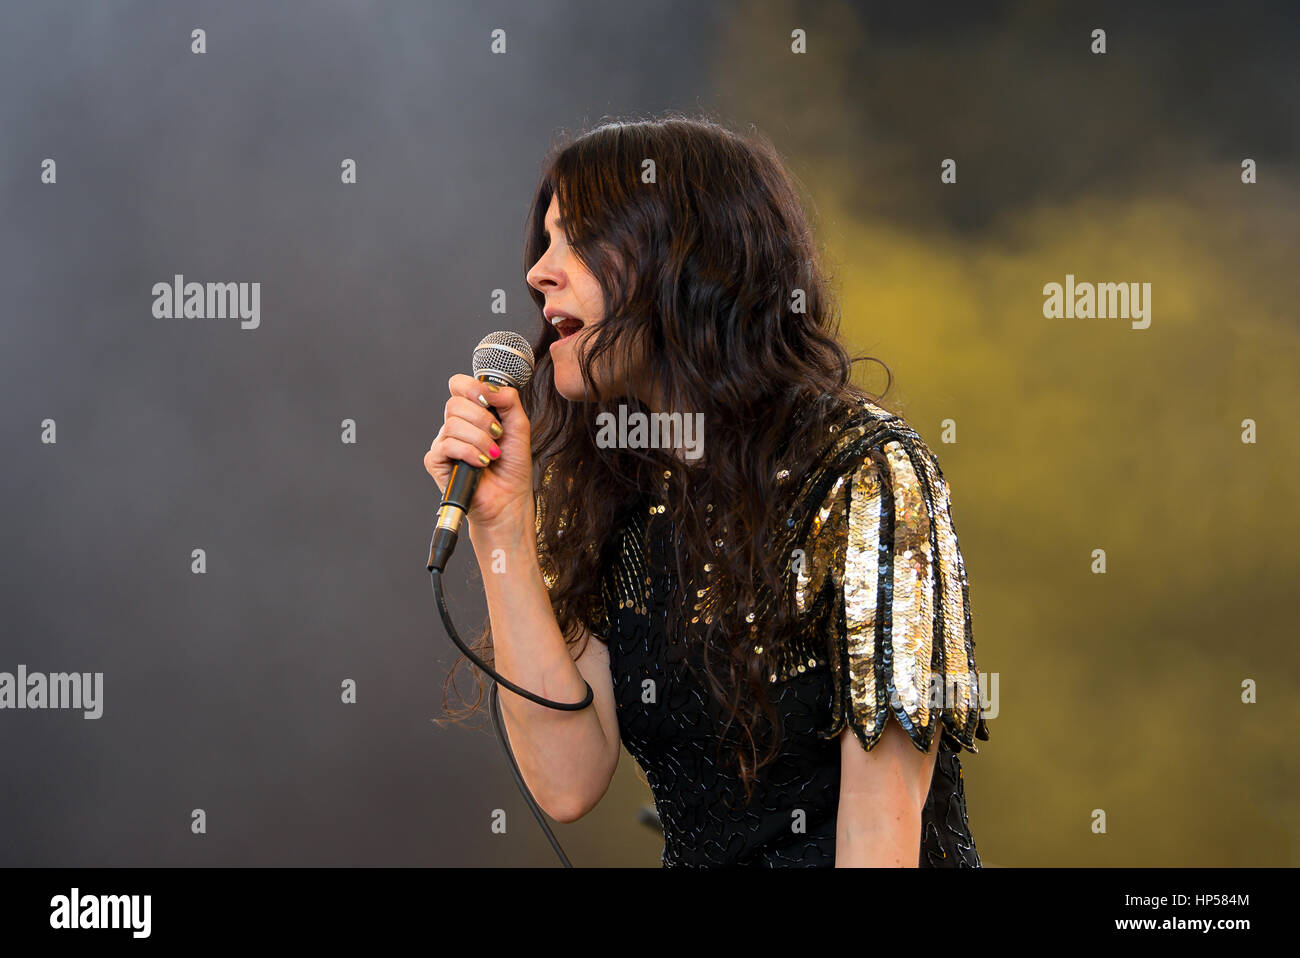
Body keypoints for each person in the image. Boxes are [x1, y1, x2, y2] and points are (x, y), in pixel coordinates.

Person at [424, 113, 990, 867]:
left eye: (579, 238)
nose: (538, 271)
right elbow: (567, 780)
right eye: (545, 241)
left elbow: (880, 831)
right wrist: (501, 527)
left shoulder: (860, 471)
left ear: (687, 260)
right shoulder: (617, 484)